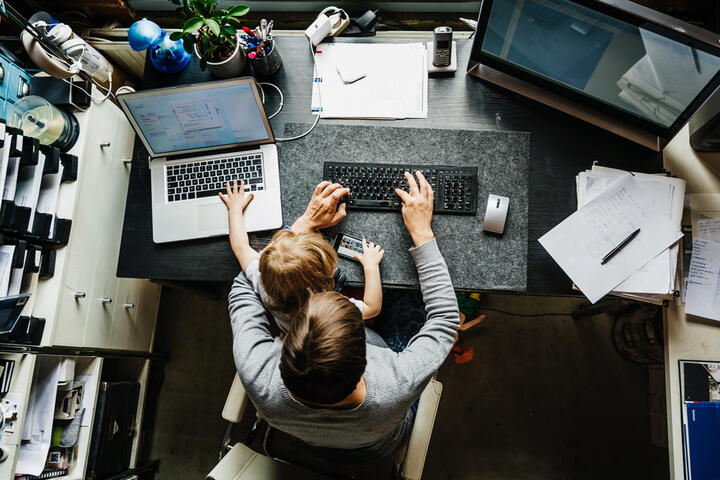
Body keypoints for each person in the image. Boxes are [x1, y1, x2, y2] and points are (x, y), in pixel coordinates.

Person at [227, 171, 461, 458]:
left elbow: (245, 282)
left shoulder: (256, 372)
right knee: (407, 303)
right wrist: (422, 232)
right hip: (379, 446)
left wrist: (303, 227)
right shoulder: (396, 383)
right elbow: (445, 320)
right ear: (365, 356)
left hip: (304, 440)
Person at [220, 180, 384, 331]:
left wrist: (234, 210)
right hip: (324, 329)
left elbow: (240, 247)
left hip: (289, 329)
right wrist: (371, 267)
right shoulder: (330, 308)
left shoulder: (262, 279)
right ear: (326, 280)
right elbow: (372, 308)